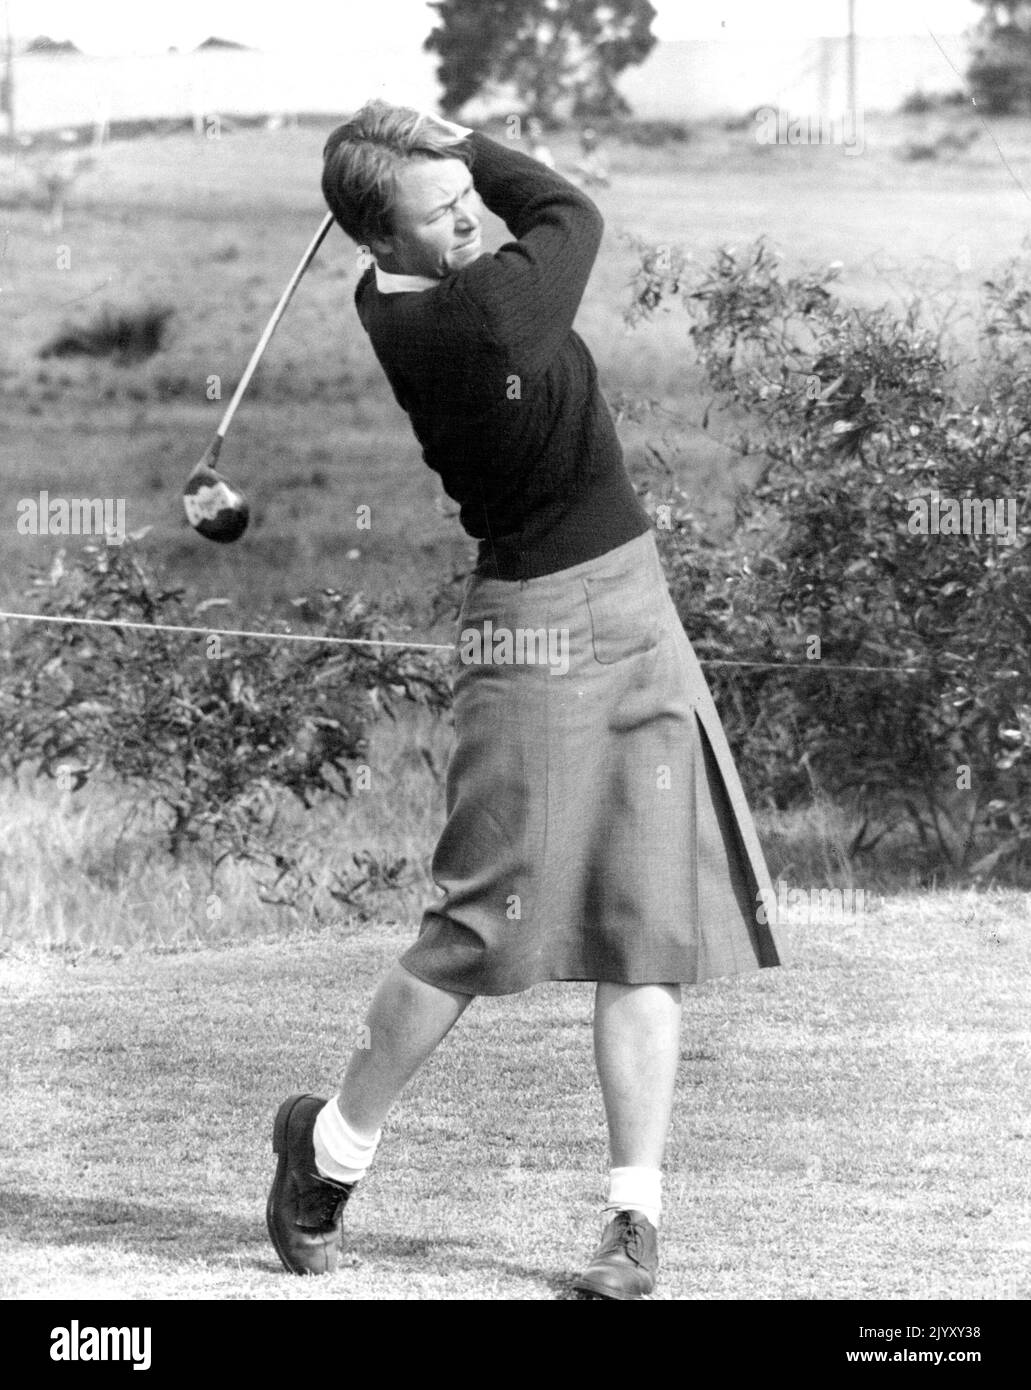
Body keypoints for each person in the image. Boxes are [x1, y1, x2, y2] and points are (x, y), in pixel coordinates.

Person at [265, 99, 783, 1300]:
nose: (464, 229)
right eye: (436, 219)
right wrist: (469, 144)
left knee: (646, 922)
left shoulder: (401, 284)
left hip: (634, 602)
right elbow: (569, 209)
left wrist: (433, 165)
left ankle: (630, 1222)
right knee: (476, 931)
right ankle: (328, 1152)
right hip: (533, 633)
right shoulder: (477, 313)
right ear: (375, 247)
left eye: (463, 210)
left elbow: (500, 220)